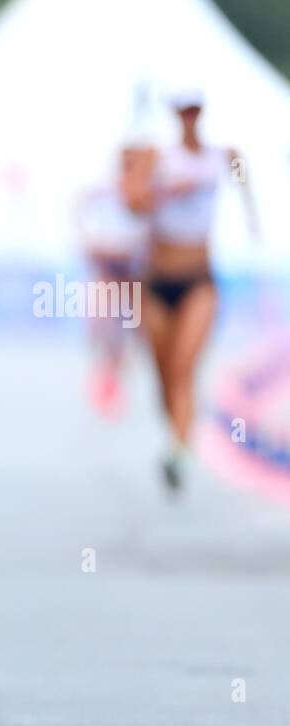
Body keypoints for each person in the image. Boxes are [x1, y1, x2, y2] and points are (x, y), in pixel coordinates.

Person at [124, 88, 257, 491]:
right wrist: (167, 191)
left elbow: (243, 183)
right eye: (183, 110)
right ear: (174, 114)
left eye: (194, 110)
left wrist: (255, 220)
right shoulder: (158, 156)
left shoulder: (221, 155)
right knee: (165, 375)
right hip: (157, 279)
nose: (189, 117)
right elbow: (131, 200)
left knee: (184, 368)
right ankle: (176, 430)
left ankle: (179, 452)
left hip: (199, 278)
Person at [76, 144, 150, 419]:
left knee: (133, 328)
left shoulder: (143, 194)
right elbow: (80, 203)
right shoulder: (106, 191)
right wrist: (86, 239)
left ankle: (116, 382)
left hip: (131, 268)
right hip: (108, 264)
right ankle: (104, 379)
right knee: (103, 324)